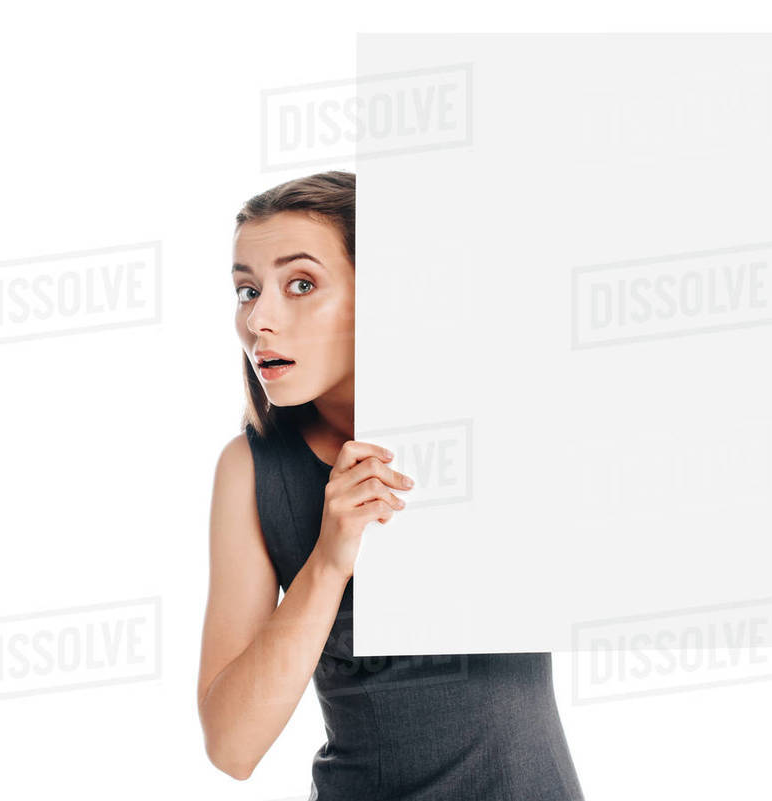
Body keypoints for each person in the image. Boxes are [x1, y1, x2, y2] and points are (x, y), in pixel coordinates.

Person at [197, 170, 586, 800]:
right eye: (246, 290)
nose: (259, 320)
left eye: (300, 284)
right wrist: (328, 560)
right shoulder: (251, 470)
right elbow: (231, 747)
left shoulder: (494, 419)